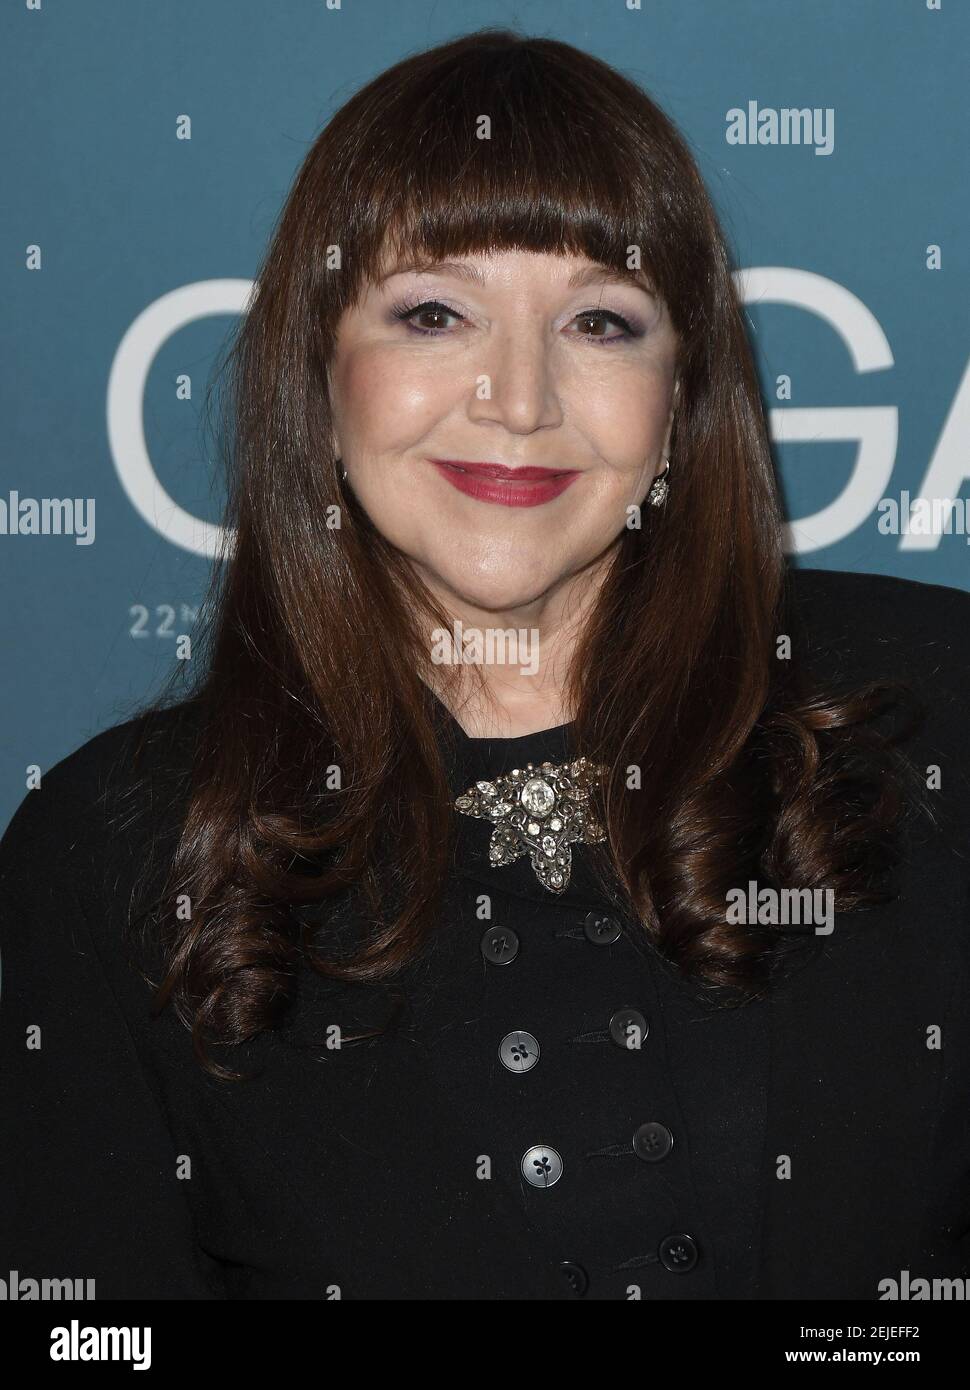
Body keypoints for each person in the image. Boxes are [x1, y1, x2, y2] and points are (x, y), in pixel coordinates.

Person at [1, 28, 968, 1302]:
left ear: (681, 397)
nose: (518, 398)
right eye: (434, 312)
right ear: (319, 372)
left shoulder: (924, 704)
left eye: (601, 321)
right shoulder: (110, 853)